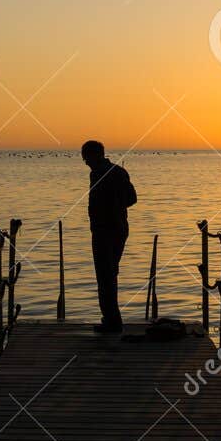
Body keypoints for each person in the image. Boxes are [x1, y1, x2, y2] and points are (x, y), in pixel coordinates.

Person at [81, 140, 136, 334]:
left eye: (86, 157)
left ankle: (112, 322)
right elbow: (132, 199)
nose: (85, 162)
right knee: (110, 274)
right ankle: (112, 319)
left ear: (94, 155)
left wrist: (111, 208)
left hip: (106, 230)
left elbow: (129, 199)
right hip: (119, 229)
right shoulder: (118, 172)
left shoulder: (99, 173)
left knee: (105, 275)